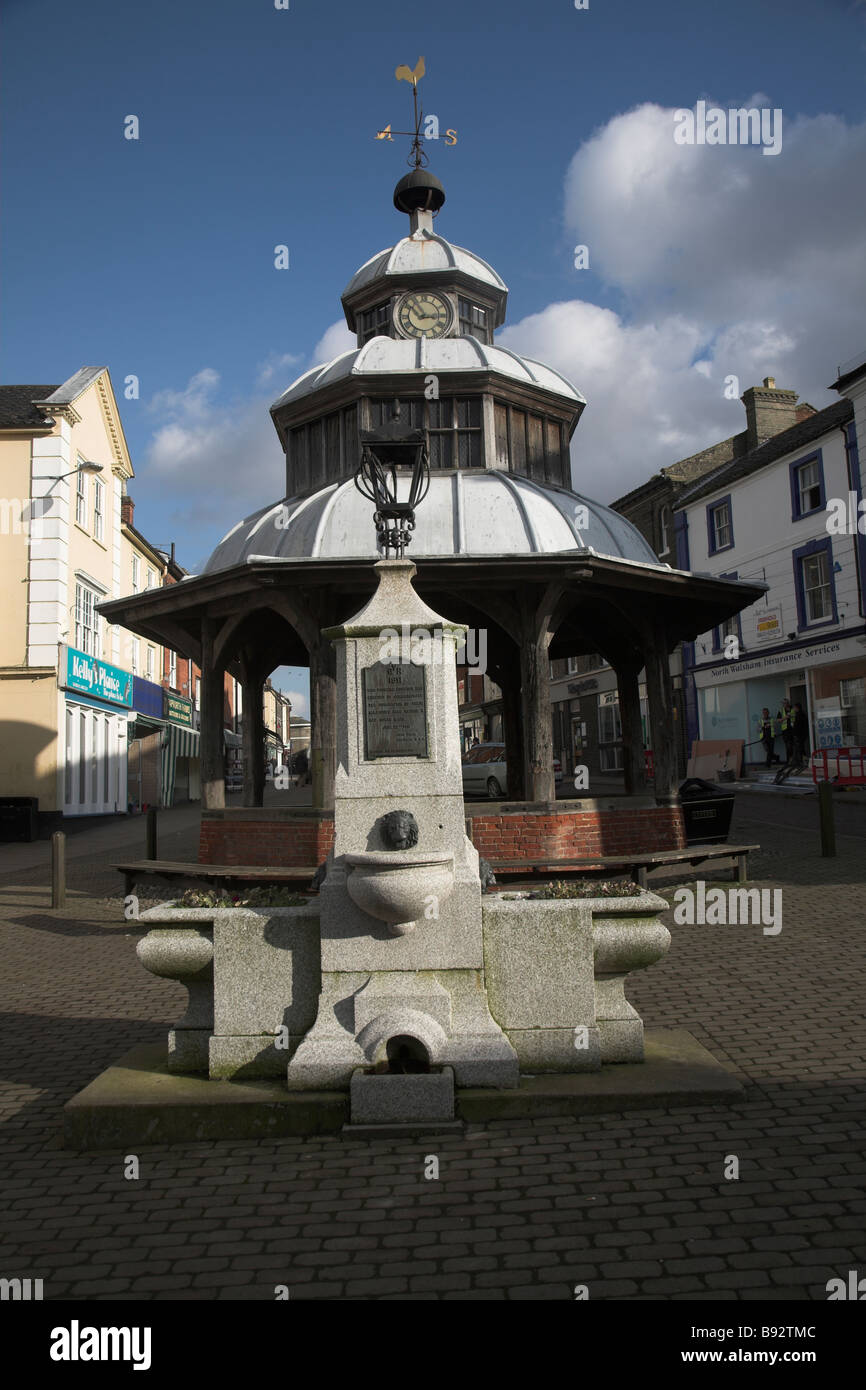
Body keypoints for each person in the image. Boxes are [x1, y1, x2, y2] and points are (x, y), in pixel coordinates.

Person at [777, 699, 794, 765]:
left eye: (786, 703)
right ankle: (789, 760)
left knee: (794, 745)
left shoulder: (792, 709)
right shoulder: (781, 711)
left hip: (793, 729)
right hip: (785, 730)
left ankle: (794, 760)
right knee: (788, 746)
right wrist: (785, 717)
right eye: (783, 703)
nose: (785, 704)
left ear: (788, 703)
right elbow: (778, 720)